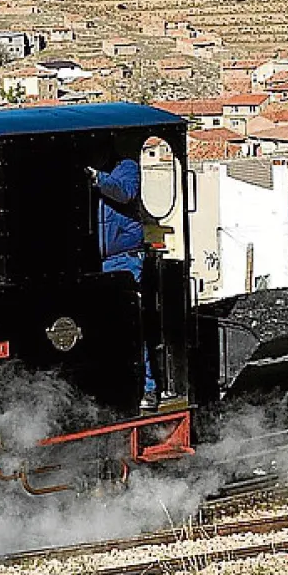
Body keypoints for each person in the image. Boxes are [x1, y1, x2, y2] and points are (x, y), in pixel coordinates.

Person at [93, 155, 162, 410]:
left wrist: (97, 178)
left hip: (125, 260)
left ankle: (149, 387)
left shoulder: (127, 167)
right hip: (98, 262)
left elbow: (124, 193)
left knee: (134, 325)